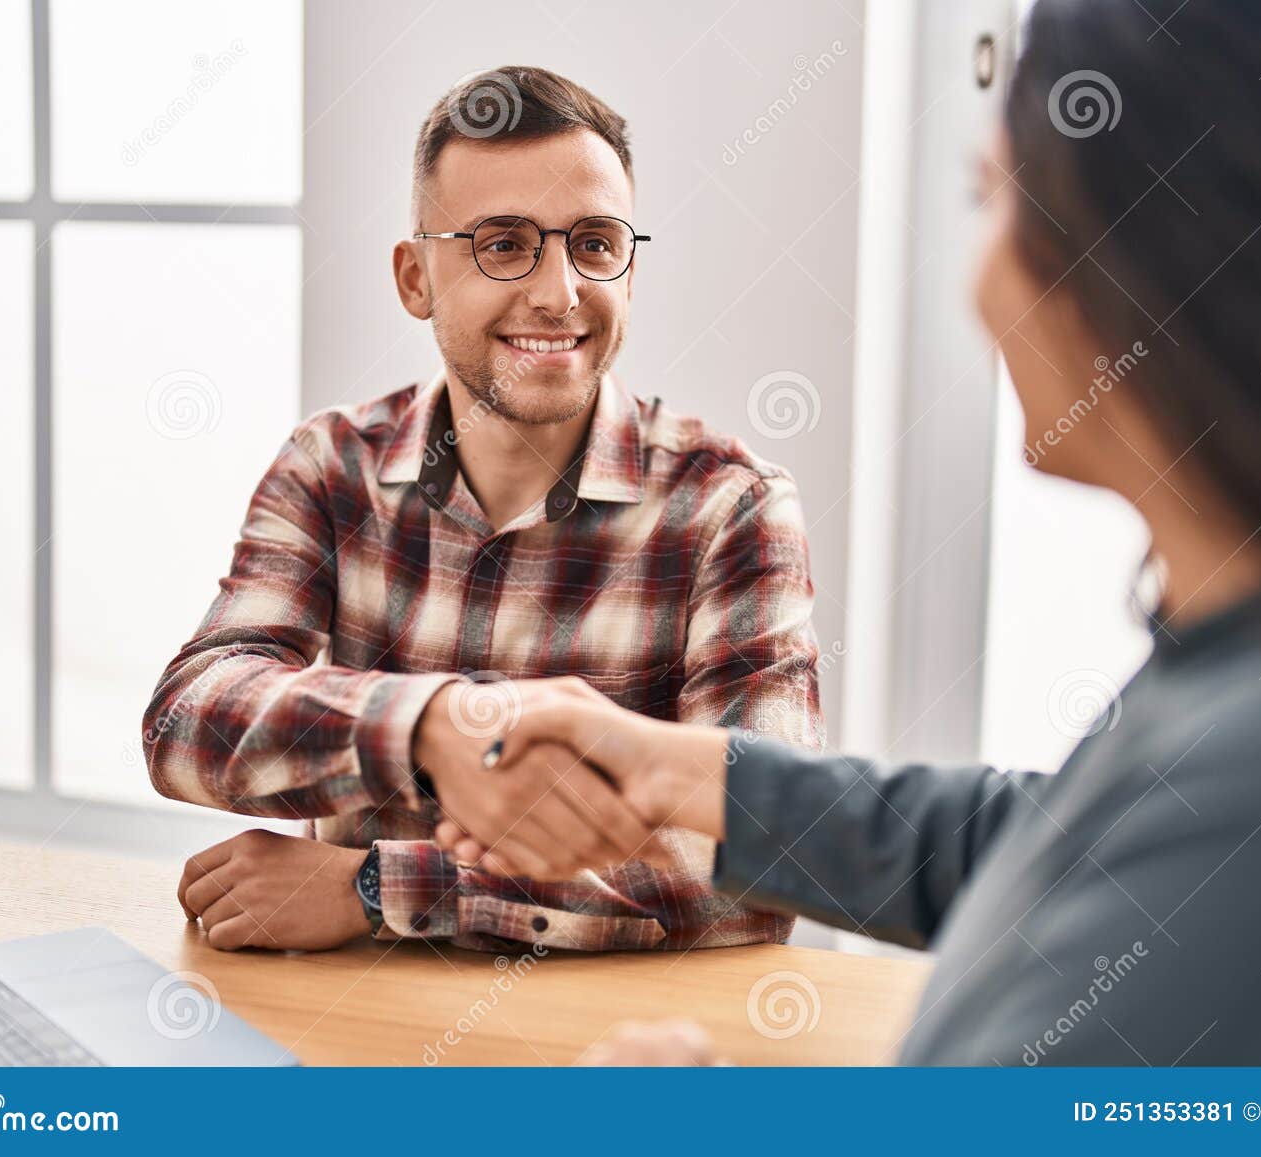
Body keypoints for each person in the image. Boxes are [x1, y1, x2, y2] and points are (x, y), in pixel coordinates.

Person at [440, 0, 1261, 1064]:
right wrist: (677, 771)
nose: (981, 288)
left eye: (994, 204)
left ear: (1157, 259)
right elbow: (1045, 840)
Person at [143, 67, 825, 954]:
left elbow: (772, 852)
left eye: (593, 242)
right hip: (352, 1029)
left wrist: (384, 885)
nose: (558, 292)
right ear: (416, 277)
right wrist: (426, 727)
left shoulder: (732, 508)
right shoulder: (330, 465)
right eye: (504, 244)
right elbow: (185, 720)